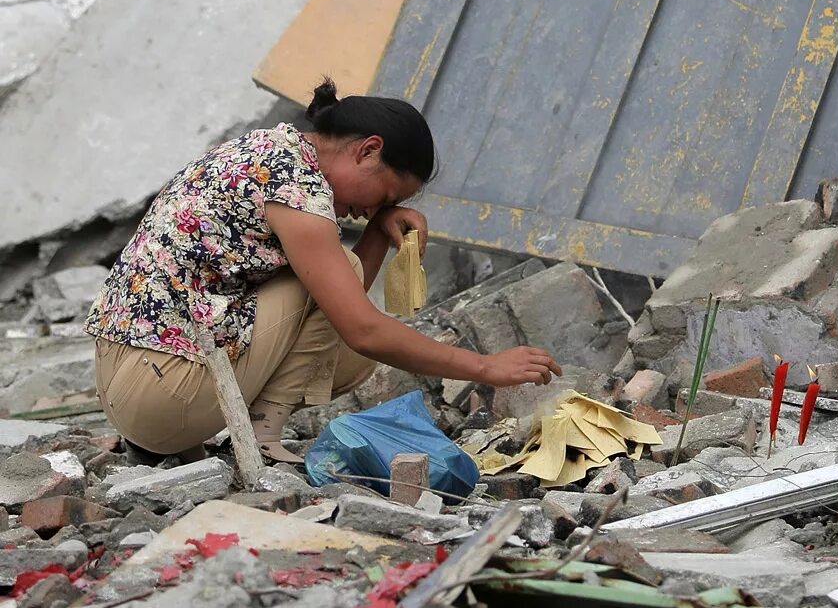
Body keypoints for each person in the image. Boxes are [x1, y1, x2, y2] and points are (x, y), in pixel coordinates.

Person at [85, 78, 561, 465]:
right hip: (161, 393)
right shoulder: (297, 190)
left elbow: (336, 314)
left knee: (343, 308)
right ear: (367, 150)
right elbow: (360, 328)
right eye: (385, 194)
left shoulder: (274, 150)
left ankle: (202, 437)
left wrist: (377, 231)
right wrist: (485, 367)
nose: (373, 207)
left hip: (135, 382)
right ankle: (260, 439)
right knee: (358, 318)